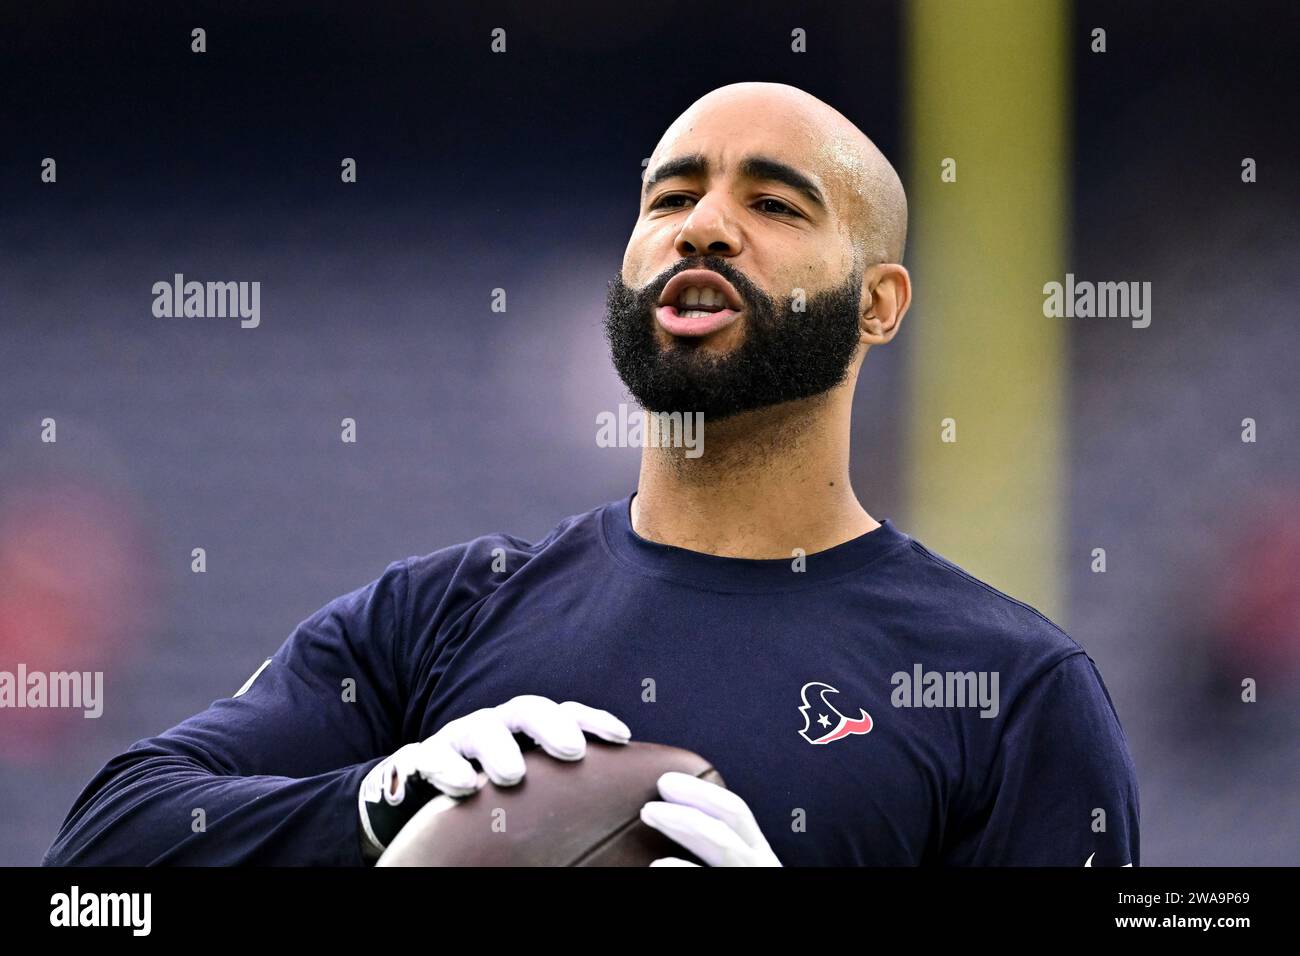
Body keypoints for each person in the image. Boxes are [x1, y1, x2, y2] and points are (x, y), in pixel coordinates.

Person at [44, 82, 1138, 867]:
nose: (703, 225)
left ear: (879, 302)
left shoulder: (1007, 688)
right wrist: (382, 801)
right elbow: (102, 859)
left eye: (773, 203)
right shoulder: (440, 615)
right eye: (669, 198)